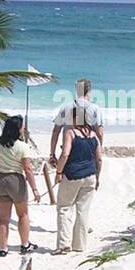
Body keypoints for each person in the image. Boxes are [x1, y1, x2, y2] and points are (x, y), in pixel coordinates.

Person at [0, 115, 41, 257]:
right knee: (23, 214)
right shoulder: (23, 147)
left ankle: (3, 248)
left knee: (3, 218)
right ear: (18, 128)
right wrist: (35, 189)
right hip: (16, 180)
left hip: (1, 180)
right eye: (22, 126)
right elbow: (28, 169)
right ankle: (25, 244)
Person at [53, 119, 101, 254]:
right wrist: (98, 176)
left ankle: (63, 245)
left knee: (64, 208)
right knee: (83, 211)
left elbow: (65, 154)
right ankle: (79, 245)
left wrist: (58, 172)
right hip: (90, 174)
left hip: (72, 175)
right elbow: (99, 158)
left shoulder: (71, 133)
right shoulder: (94, 135)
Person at [49, 77, 103, 164]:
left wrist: (52, 154)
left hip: (68, 150)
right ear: (89, 91)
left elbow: (56, 131)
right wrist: (99, 150)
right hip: (88, 152)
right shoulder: (95, 109)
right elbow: (99, 133)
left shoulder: (65, 107)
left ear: (77, 91)